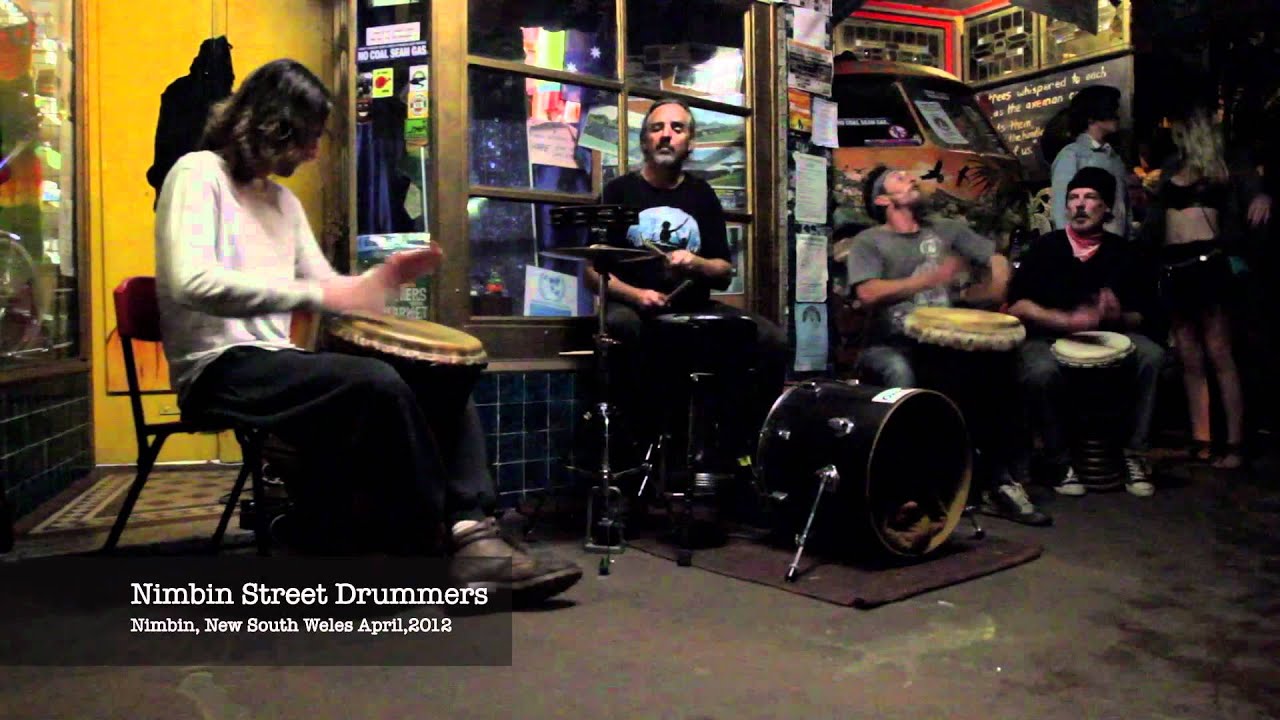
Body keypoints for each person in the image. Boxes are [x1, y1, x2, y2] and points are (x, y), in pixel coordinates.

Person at [154, 58, 582, 603]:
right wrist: (321, 294)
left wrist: (376, 282)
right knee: (375, 384)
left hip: (276, 358)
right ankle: (434, 547)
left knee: (441, 377)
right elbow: (192, 282)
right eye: (307, 137)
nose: (313, 152)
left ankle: (475, 530)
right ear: (272, 126)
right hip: (220, 370)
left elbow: (327, 285)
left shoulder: (280, 201)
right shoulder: (196, 174)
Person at [845, 164, 1050, 527]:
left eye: (910, 176)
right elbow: (868, 293)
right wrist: (930, 279)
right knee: (900, 372)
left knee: (1002, 369)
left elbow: (996, 258)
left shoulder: (948, 230)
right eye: (898, 177)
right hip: (893, 343)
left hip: (947, 344)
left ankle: (999, 481)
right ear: (882, 199)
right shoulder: (870, 241)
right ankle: (906, 487)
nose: (910, 177)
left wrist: (995, 285)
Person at [587, 98, 788, 453]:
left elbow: (723, 272)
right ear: (644, 141)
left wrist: (695, 263)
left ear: (690, 143)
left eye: (677, 129)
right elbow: (592, 271)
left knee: (770, 339)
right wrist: (637, 296)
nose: (666, 136)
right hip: (635, 308)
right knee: (622, 327)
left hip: (692, 306)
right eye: (657, 128)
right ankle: (638, 444)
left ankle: (745, 446)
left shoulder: (701, 194)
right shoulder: (618, 192)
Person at [1007, 167, 1163, 497]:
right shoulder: (1046, 248)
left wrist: (1117, 316)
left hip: (1110, 338)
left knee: (1151, 355)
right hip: (1046, 337)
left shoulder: (1124, 253)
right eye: (1074, 198)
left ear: (1106, 208)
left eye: (1090, 197)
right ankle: (1059, 460)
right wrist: (1067, 322)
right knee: (1040, 371)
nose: (1079, 205)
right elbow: (1017, 307)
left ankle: (1135, 454)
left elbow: (1144, 315)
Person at [1141, 107, 1270, 469]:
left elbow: (1253, 189)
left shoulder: (1225, 164)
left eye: (1177, 124)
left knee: (1219, 353)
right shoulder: (1170, 166)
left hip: (1209, 261)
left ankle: (1234, 442)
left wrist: (1263, 195)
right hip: (1173, 263)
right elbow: (1156, 219)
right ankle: (1202, 437)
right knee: (1189, 356)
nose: (1170, 129)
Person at [1050, 85, 1131, 240]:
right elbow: (1061, 211)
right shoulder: (1072, 155)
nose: (1118, 116)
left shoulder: (1114, 157)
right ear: (1092, 116)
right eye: (1112, 110)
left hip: (1116, 250)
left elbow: (1123, 208)